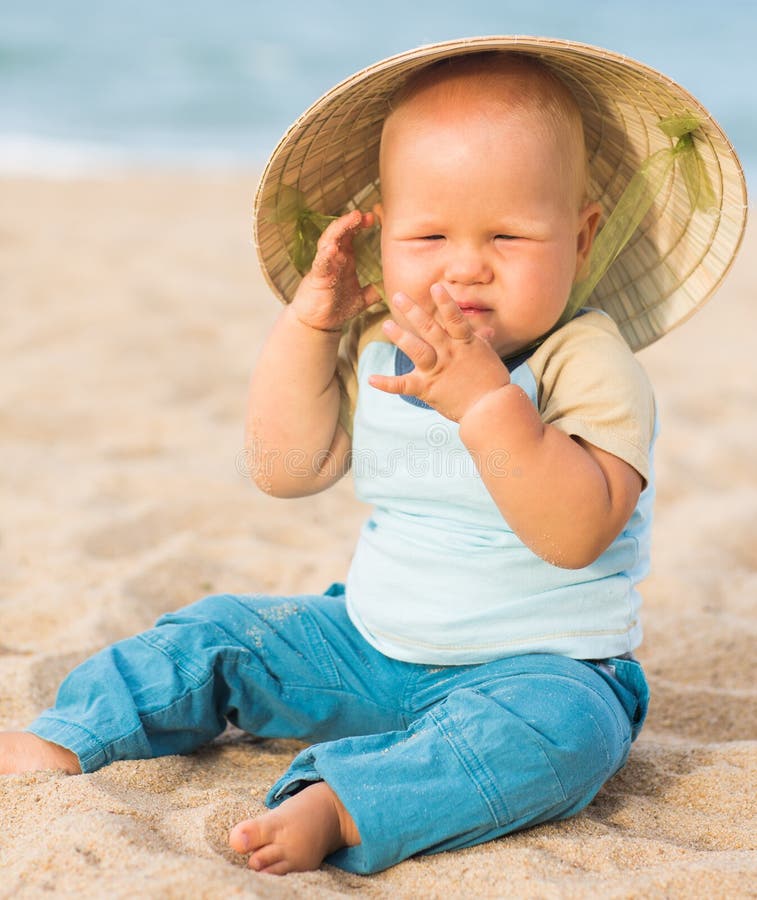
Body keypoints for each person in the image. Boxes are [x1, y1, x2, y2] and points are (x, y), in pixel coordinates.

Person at [0, 38, 746, 877]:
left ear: (581, 236)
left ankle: (349, 797)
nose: (466, 264)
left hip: (542, 667)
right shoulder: (381, 347)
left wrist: (488, 405)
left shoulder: (585, 361)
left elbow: (574, 534)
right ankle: (69, 738)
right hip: (370, 642)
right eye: (428, 235)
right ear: (381, 238)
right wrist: (310, 328)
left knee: (566, 740)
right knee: (219, 632)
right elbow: (285, 467)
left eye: (508, 234)